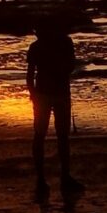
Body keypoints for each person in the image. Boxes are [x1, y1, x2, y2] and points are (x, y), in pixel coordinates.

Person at [26, 16, 83, 199]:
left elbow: (30, 75)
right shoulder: (62, 42)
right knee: (57, 136)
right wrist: (33, 93)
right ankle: (53, 178)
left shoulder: (39, 46)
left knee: (49, 136)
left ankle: (47, 179)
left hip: (50, 94)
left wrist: (33, 93)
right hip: (53, 94)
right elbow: (70, 67)